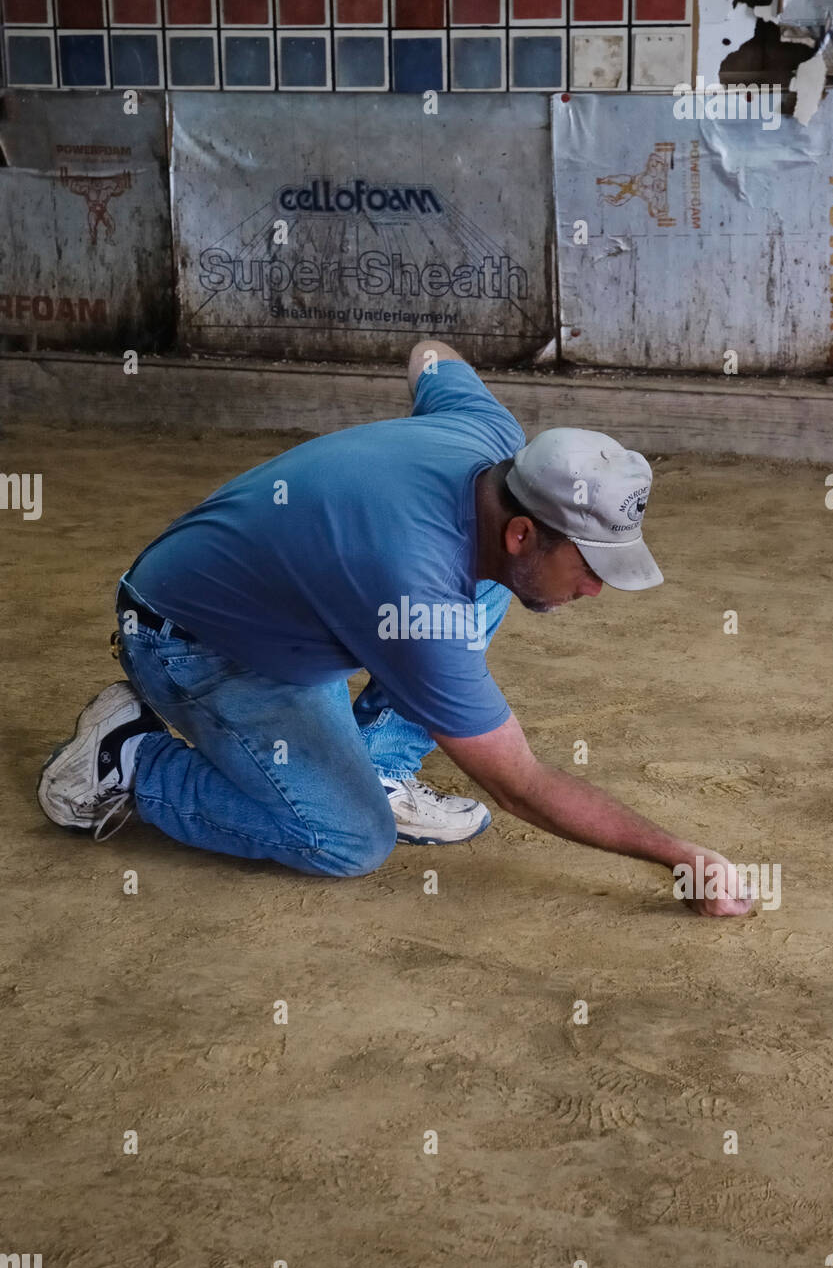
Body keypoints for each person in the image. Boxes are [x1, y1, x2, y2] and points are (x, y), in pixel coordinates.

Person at [38, 341, 750, 918]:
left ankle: (373, 764)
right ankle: (129, 758)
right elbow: (520, 786)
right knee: (345, 840)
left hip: (270, 597)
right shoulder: (416, 590)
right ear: (524, 530)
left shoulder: (493, 439)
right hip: (192, 642)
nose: (598, 586)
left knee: (490, 593)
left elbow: (431, 354)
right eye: (590, 565)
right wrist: (682, 856)